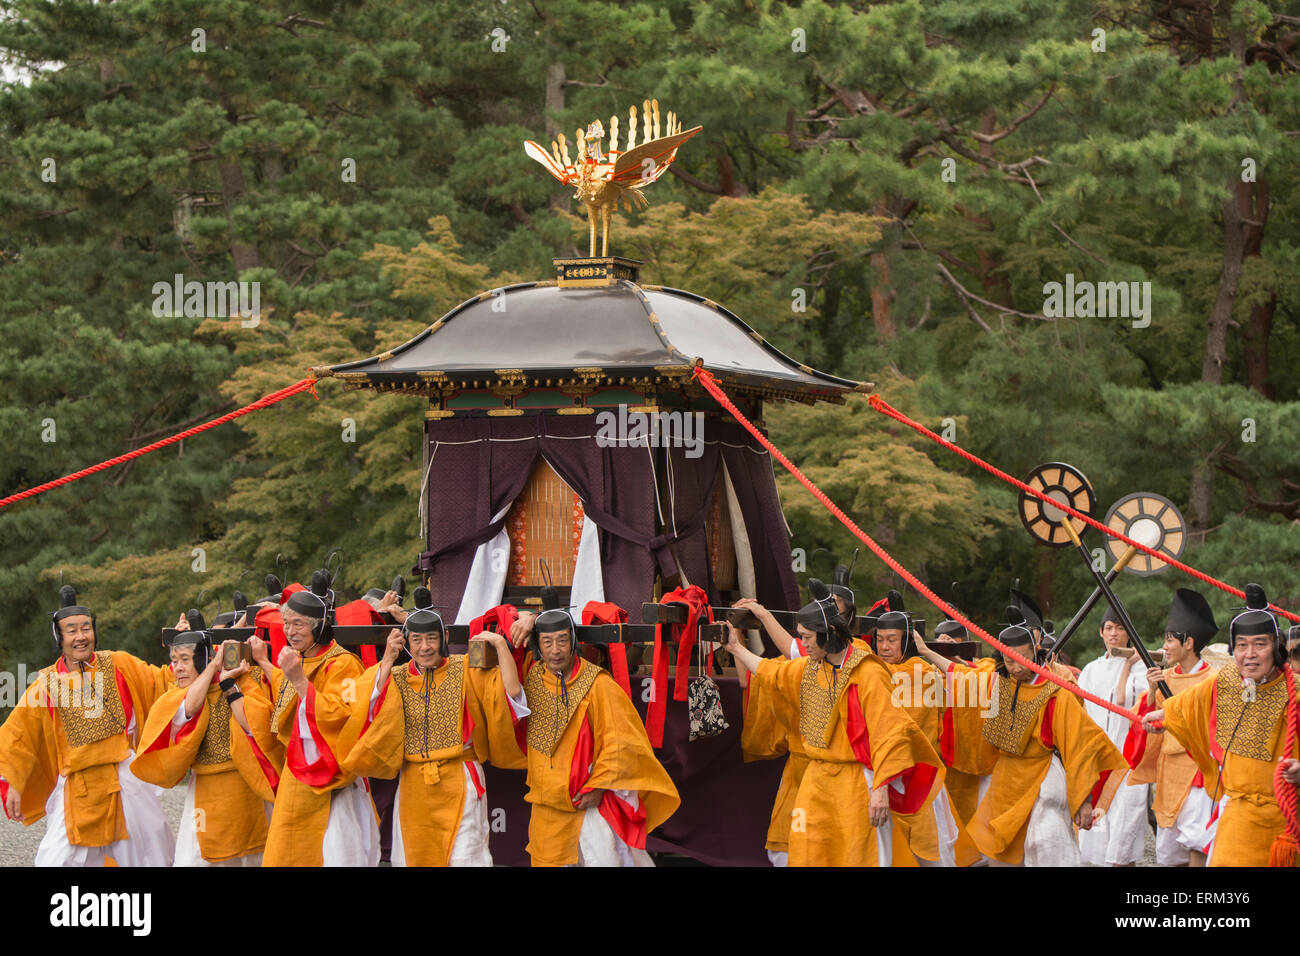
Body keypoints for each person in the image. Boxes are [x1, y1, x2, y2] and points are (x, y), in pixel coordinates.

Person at [725, 583, 943, 866]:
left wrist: (880, 791)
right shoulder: (810, 668)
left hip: (856, 784)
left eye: (806, 638)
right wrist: (735, 648)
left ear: (828, 635)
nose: (801, 644)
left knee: (859, 858)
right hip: (815, 783)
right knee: (806, 854)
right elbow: (771, 672)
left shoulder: (868, 674)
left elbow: (891, 733)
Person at [339, 605, 528, 866]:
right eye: (416, 639)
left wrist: (499, 644)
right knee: (414, 858)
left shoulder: (467, 669)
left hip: (460, 777)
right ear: (407, 642)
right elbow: (363, 708)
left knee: (466, 857)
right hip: (413, 783)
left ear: (445, 638)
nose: (425, 647)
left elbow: (511, 695)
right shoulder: (395, 676)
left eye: (432, 638)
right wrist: (387, 660)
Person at [502, 589, 680, 866]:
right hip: (546, 809)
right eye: (547, 642)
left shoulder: (598, 684)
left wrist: (599, 785)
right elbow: (495, 630)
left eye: (562, 640)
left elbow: (622, 742)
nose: (555, 650)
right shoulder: (530, 676)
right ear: (537, 645)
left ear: (573, 641)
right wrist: (525, 617)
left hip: (589, 806)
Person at [0, 585, 175, 866]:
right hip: (75, 788)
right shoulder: (45, 684)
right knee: (54, 860)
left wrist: (182, 645)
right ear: (59, 637)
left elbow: (164, 683)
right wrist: (15, 784)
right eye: (71, 631)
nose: (81, 637)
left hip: (127, 782)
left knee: (152, 850)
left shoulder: (119, 665)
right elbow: (17, 735)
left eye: (86, 629)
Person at [1143, 584, 1300, 867]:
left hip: (1285, 821)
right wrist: (1164, 718)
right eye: (1242, 646)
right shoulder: (1225, 681)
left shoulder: (1296, 692)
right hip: (1237, 818)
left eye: (1260, 645)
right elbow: (1187, 706)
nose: (1249, 654)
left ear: (1276, 649)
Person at [956, 609, 1129, 866]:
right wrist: (926, 652)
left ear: (1036, 650)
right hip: (1006, 781)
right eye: (1009, 661)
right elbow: (960, 677)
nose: (1015, 668)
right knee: (1001, 853)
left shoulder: (1056, 692)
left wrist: (1084, 799)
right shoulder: (998, 682)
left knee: (1048, 842)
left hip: (1045, 779)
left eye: (1022, 659)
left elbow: (1082, 743)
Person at [131, 613, 280, 866]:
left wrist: (229, 685)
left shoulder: (244, 679)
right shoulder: (179, 693)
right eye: (174, 660)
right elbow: (187, 709)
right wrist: (212, 666)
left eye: (184, 660)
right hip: (204, 795)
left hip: (248, 790)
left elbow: (257, 727)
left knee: (255, 857)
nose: (176, 668)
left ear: (201, 658)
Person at [254, 584, 380, 866]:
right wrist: (264, 663)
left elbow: (342, 716)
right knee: (285, 853)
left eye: (298, 624)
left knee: (332, 853)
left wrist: (299, 679)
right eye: (286, 623)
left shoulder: (343, 664)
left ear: (319, 627)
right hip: (294, 777)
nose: (290, 631)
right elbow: (287, 693)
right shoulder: (300, 658)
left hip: (331, 778)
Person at [1123, 588, 1219, 866]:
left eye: (1169, 639)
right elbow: (1144, 722)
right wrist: (1152, 692)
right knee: (1167, 850)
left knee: (1197, 842)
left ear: (1188, 643)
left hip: (1198, 770)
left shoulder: (1213, 679)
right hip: (1168, 769)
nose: (1164, 646)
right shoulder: (1162, 677)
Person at [1076, 604, 1149, 866]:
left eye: (1120, 628)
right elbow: (1080, 714)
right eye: (1109, 628)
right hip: (1097, 757)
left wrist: (1129, 665)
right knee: (1095, 837)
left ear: (1128, 633)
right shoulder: (1090, 670)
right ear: (1101, 633)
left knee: (1124, 832)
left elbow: (1126, 703)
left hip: (1128, 757)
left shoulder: (1142, 667)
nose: (1114, 633)